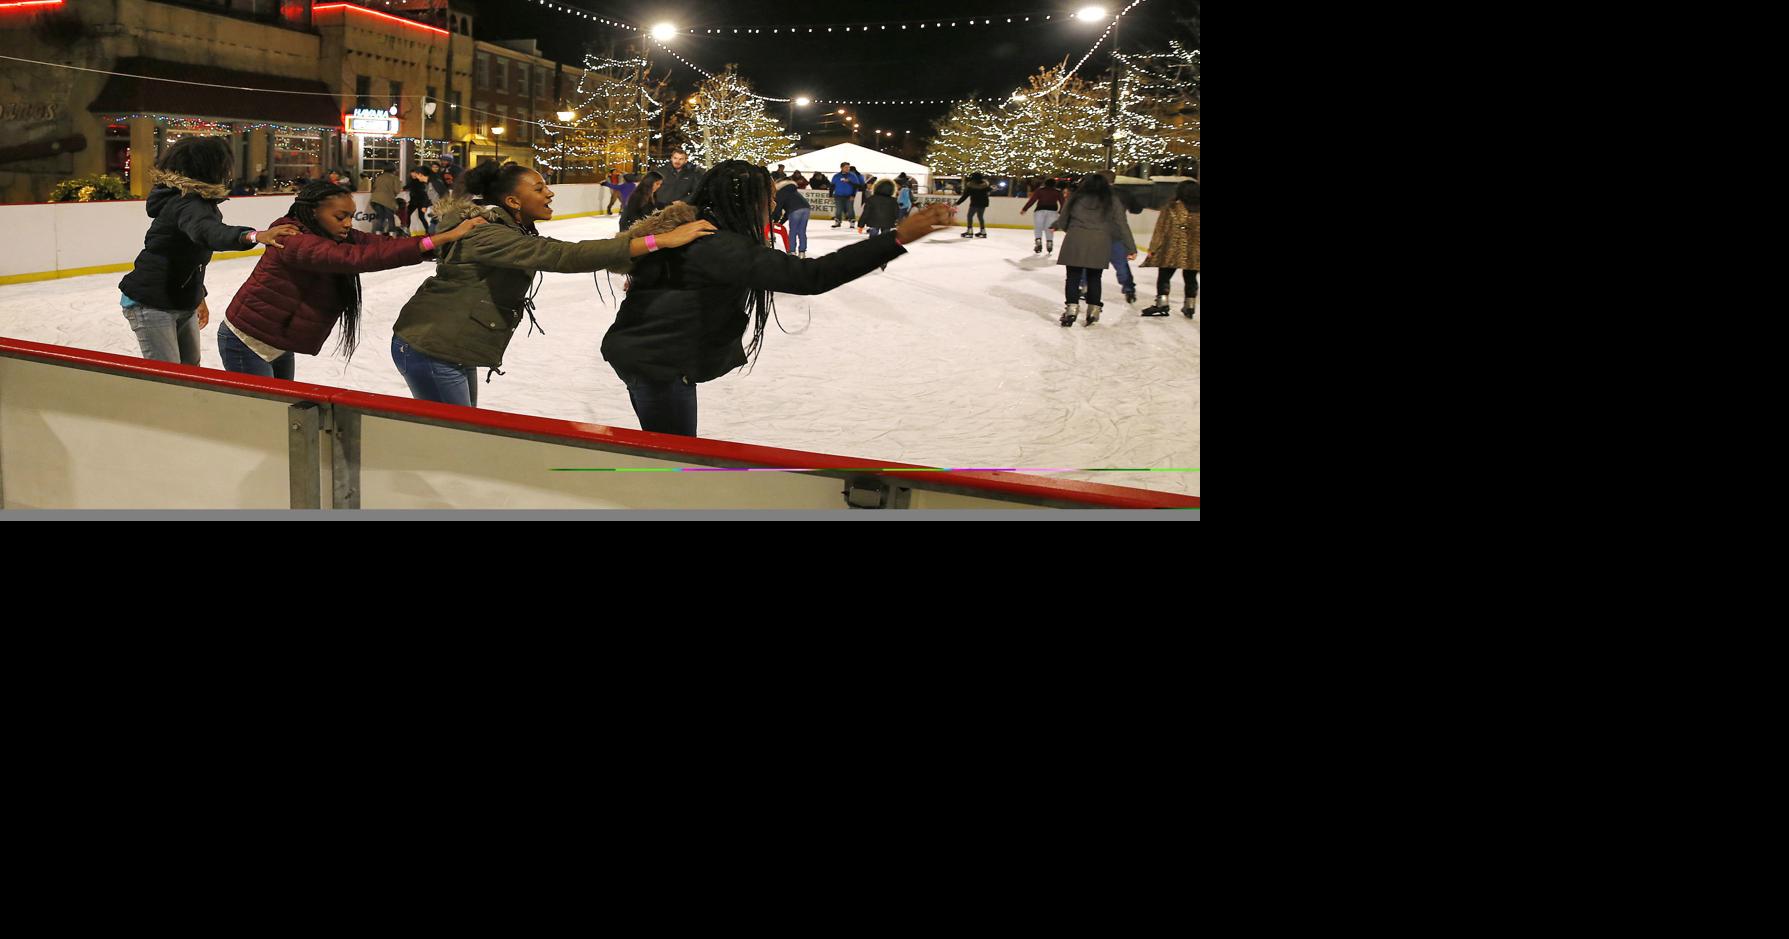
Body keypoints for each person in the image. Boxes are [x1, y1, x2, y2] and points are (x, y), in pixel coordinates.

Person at [600, 161, 956, 437]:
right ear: (742, 201)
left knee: (671, 451)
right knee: (674, 457)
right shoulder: (716, 244)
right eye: (766, 197)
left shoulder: (693, 231)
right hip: (658, 364)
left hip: (651, 357)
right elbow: (810, 277)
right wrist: (897, 238)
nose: (772, 204)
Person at [389, 161, 715, 407]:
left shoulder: (507, 227)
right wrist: (659, 240)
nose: (550, 192)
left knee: (461, 433)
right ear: (513, 201)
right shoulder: (487, 233)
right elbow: (562, 255)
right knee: (455, 440)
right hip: (430, 345)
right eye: (539, 187)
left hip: (447, 345)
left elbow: (568, 253)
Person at [218, 181, 486, 380]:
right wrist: (441, 238)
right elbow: (354, 258)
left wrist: (438, 249)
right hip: (247, 340)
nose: (348, 223)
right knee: (263, 416)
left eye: (351, 216)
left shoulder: (335, 235)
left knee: (281, 409)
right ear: (313, 213)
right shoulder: (289, 238)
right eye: (340, 217)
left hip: (275, 339)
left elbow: (381, 245)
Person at [117, 135, 298, 366]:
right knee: (168, 381)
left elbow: (187, 255)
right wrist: (254, 235)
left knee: (192, 374)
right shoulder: (187, 203)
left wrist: (198, 294)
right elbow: (209, 233)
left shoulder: (194, 201)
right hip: (151, 301)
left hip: (181, 299)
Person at [1052, 172, 1135, 327]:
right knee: (1094, 277)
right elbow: (1122, 224)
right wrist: (1131, 247)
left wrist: (1075, 230)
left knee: (1073, 277)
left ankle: (1071, 310)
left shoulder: (1075, 198)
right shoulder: (1112, 201)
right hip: (1100, 242)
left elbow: (1063, 221)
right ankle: (1093, 310)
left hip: (1075, 240)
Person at [1140, 180, 1200, 318]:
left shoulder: (1172, 207)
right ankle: (1190, 305)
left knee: (1164, 275)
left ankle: (1162, 303)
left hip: (1172, 248)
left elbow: (1160, 229)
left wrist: (1153, 248)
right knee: (1190, 277)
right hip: (1195, 249)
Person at [1019, 177, 1064, 254]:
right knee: (1049, 228)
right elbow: (1063, 202)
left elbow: (1032, 200)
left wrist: (1024, 209)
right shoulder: (1057, 192)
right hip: (1052, 211)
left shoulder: (1040, 190)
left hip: (1040, 210)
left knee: (1038, 227)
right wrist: (1061, 212)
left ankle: (1038, 242)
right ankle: (1049, 243)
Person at [772, 173, 812, 257]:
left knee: (793, 231)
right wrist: (781, 222)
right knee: (801, 231)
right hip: (806, 208)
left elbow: (778, 208)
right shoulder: (792, 190)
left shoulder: (780, 192)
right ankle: (802, 252)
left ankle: (792, 251)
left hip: (795, 210)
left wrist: (774, 220)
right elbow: (788, 210)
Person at [955, 172, 992, 238]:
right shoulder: (985, 185)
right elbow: (989, 190)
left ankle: (970, 231)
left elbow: (965, 196)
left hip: (975, 203)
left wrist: (958, 202)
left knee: (970, 216)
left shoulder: (971, 186)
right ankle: (983, 232)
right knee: (980, 217)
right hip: (983, 203)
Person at [369, 165, 402, 237]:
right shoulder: (395, 178)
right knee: (390, 217)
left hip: (375, 200)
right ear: (394, 170)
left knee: (380, 217)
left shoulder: (379, 177)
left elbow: (373, 188)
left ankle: (378, 234)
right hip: (388, 201)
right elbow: (397, 190)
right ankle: (392, 234)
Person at [404, 168, 437, 235]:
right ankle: (407, 229)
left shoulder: (427, 183)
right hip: (414, 201)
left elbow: (429, 195)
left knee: (421, 217)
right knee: (408, 214)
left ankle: (428, 232)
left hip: (421, 201)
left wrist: (425, 205)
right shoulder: (412, 181)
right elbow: (409, 186)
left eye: (415, 174)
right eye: (412, 173)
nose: (414, 175)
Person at [829, 161, 863, 227]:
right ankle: (838, 222)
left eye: (848, 167)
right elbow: (832, 186)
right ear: (841, 168)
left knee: (850, 209)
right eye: (846, 167)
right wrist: (830, 195)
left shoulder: (852, 176)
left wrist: (853, 194)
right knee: (838, 210)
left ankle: (852, 222)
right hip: (838, 196)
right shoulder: (836, 176)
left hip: (849, 196)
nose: (848, 169)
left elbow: (857, 186)